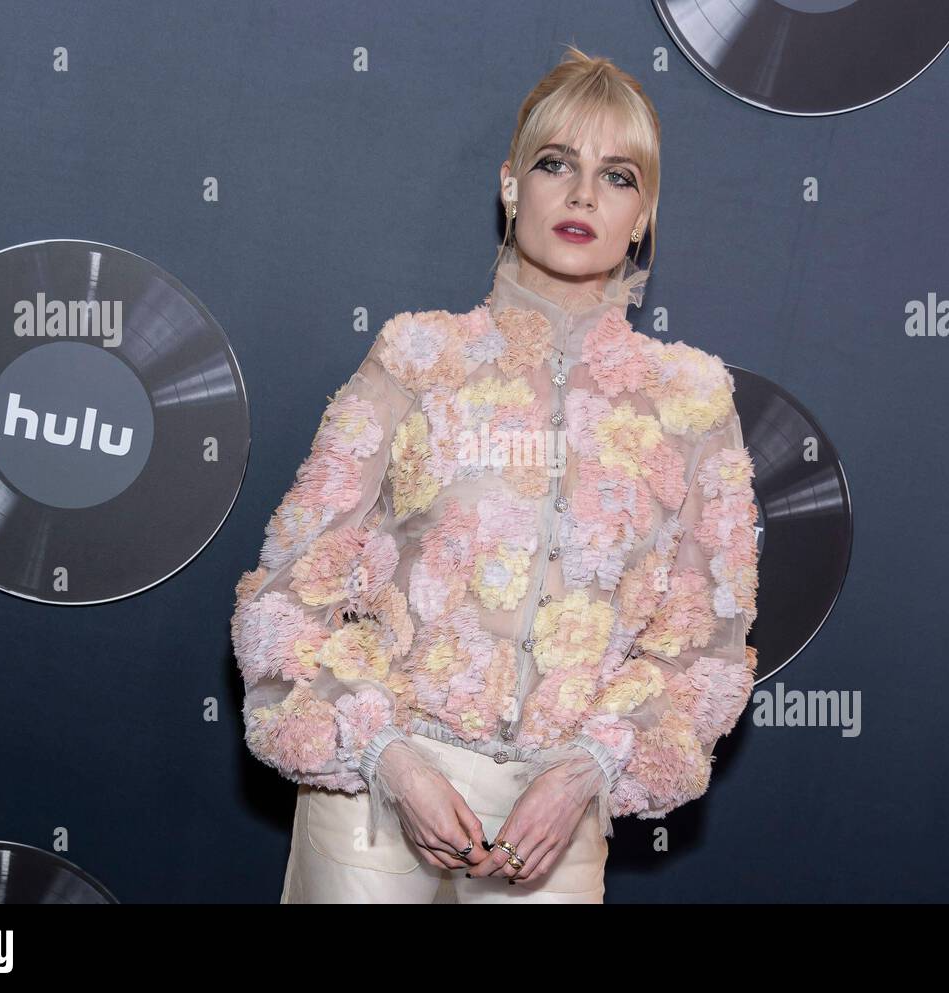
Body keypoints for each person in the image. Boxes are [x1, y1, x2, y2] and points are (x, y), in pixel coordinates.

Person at [230, 44, 759, 904]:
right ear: (512, 185)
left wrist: (588, 766)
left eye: (618, 175)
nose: (584, 193)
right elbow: (285, 592)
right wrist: (386, 756)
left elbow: (704, 649)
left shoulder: (692, 400)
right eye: (557, 164)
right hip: (377, 791)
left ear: (645, 215)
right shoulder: (417, 357)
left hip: (558, 812)